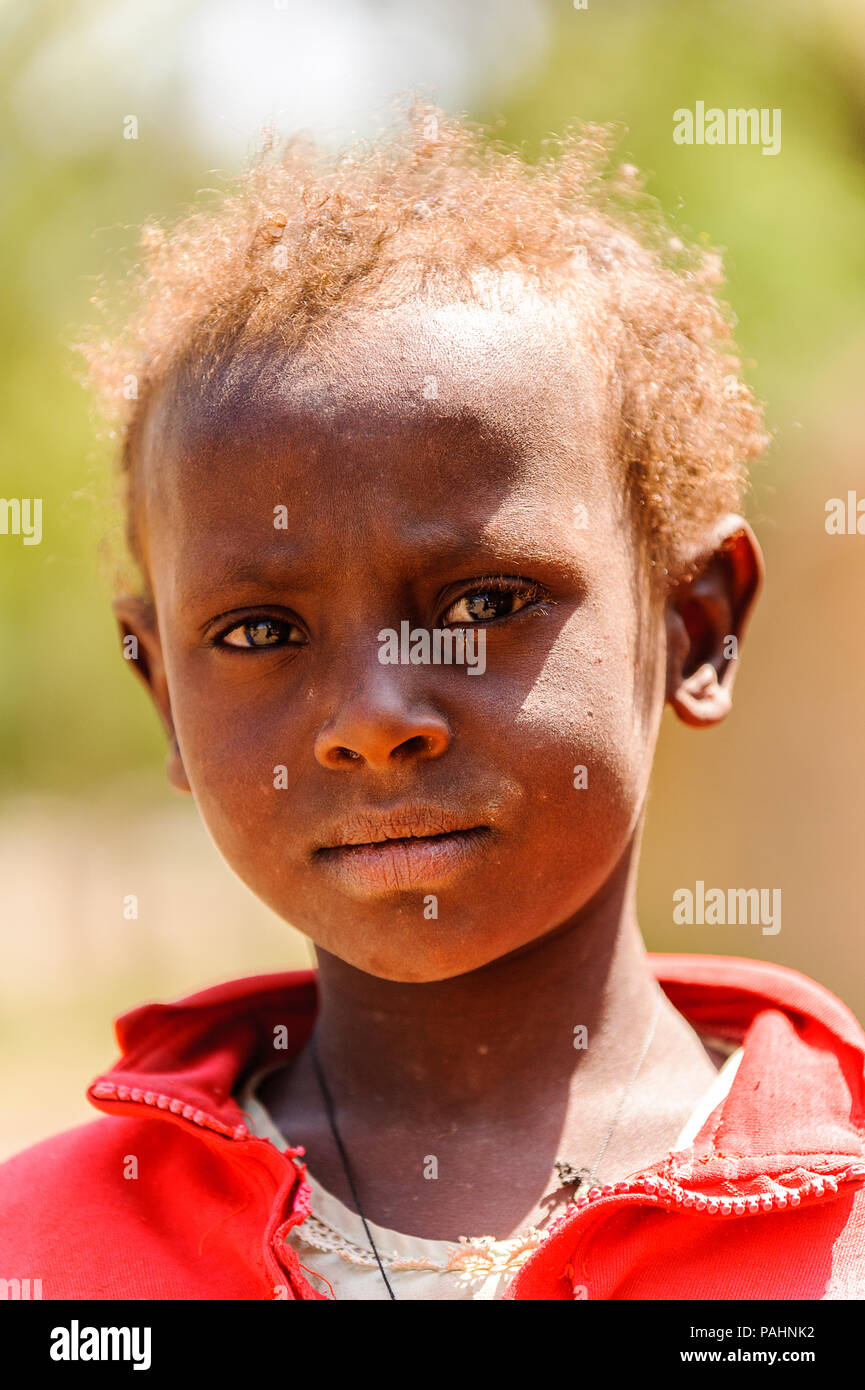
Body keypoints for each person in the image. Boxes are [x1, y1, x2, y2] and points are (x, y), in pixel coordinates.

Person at [2, 106, 863, 1301]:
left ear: (697, 624)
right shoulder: (46, 1252)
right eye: (259, 631)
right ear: (163, 694)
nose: (370, 716)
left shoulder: (836, 1232)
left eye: (482, 601)